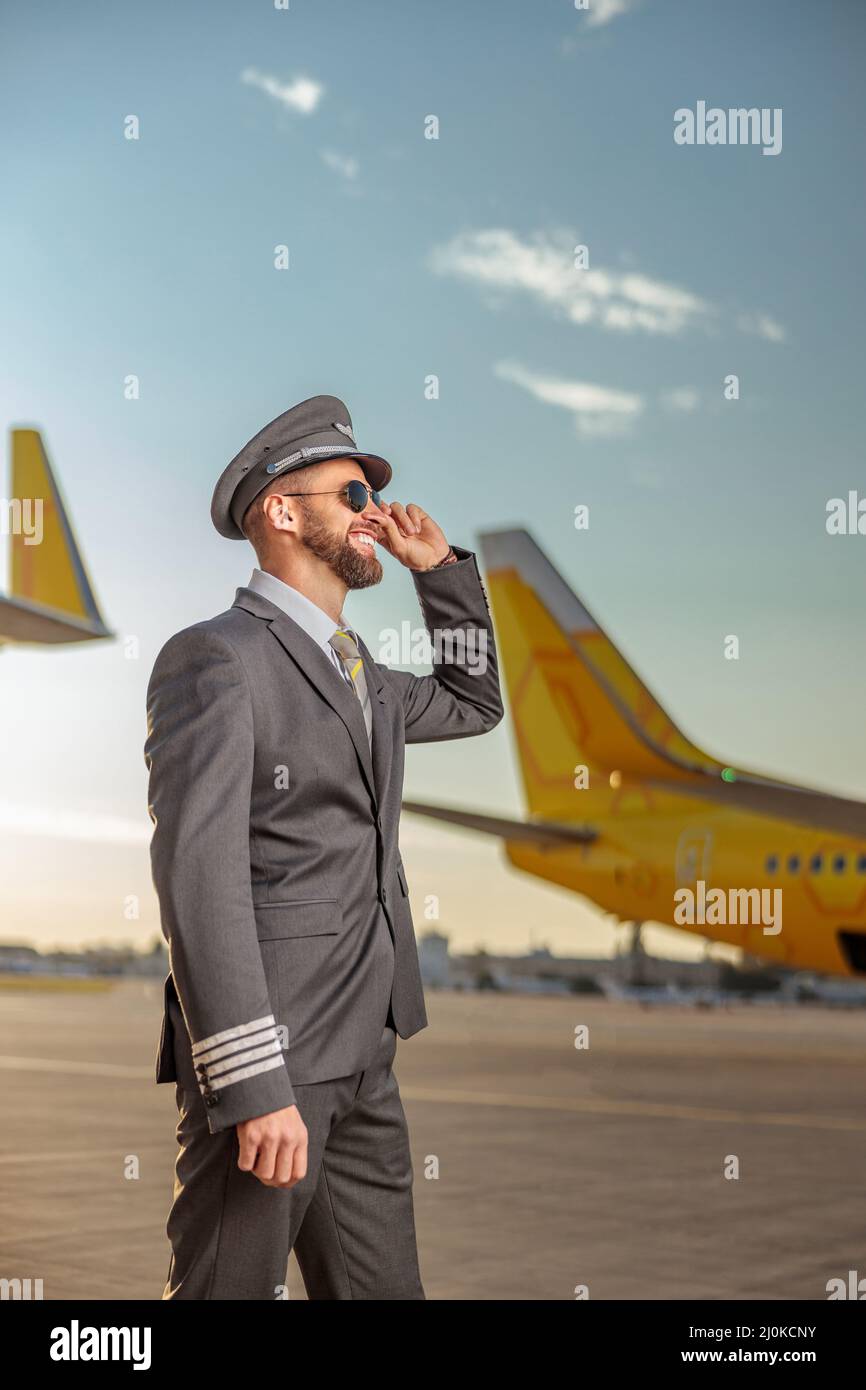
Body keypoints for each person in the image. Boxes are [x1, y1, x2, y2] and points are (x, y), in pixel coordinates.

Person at [144, 393, 503, 1299]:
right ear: (282, 511)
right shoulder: (218, 658)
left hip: (366, 1049)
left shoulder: (368, 682)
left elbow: (474, 701)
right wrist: (254, 1081)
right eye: (351, 492)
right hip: (273, 1061)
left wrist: (444, 571)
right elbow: (201, 879)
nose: (372, 512)